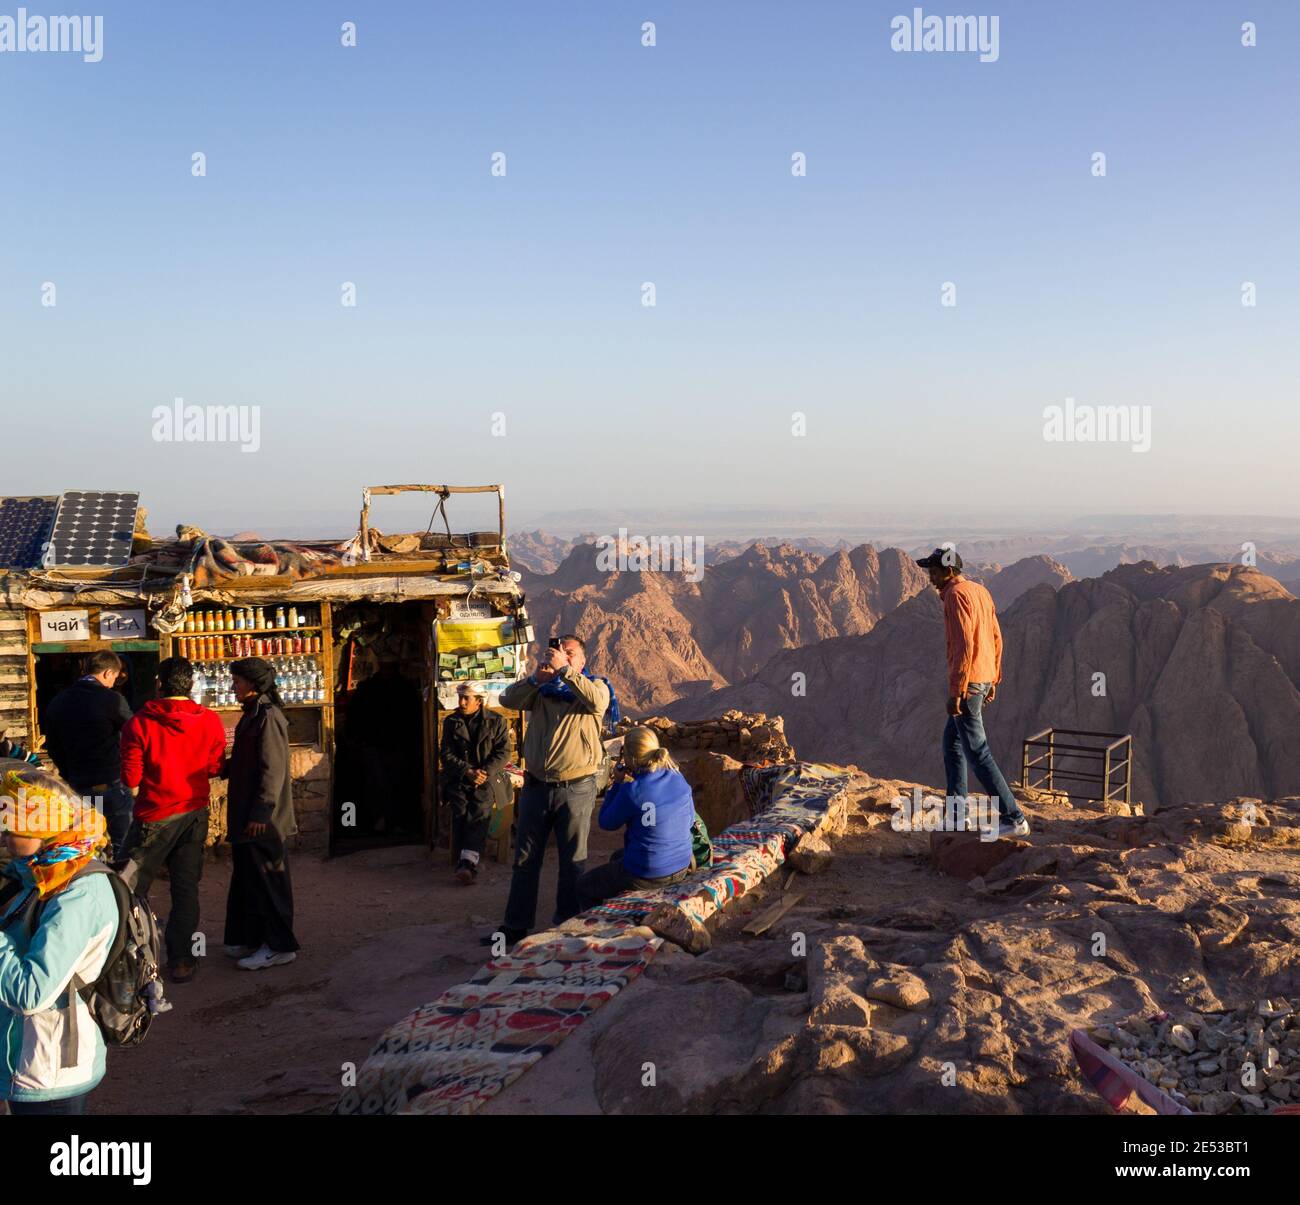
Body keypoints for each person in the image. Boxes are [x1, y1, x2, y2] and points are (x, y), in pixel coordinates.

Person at [0, 765, 119, 1115]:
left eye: (11, 827)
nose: (4, 835)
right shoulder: (45, 870)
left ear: (44, 827)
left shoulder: (79, 894)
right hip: (27, 1057)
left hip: (50, 1074)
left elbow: (31, 992)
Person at [488, 634, 610, 945]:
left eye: (570, 654)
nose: (561, 656)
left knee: (573, 861)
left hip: (576, 787)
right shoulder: (541, 692)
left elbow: (597, 703)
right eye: (558, 652)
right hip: (536, 786)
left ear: (581, 662)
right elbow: (506, 700)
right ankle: (515, 926)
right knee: (526, 858)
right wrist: (534, 680)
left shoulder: (595, 687)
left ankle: (566, 925)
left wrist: (565, 671)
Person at [119, 657, 227, 984]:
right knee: (185, 888)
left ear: (159, 683)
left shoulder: (139, 723)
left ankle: (126, 958)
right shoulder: (209, 720)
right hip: (194, 813)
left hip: (154, 815)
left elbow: (130, 777)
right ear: (190, 684)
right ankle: (181, 960)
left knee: (130, 886)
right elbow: (214, 768)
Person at [915, 548, 1030, 838]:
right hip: (981, 679)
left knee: (978, 752)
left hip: (968, 685)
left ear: (949, 572)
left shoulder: (955, 597)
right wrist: (994, 678)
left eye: (935, 571)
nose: (931, 577)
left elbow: (964, 647)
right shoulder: (980, 591)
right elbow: (996, 637)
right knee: (951, 745)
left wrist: (957, 691)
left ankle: (1014, 817)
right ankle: (957, 816)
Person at [223, 657, 299, 970]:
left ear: (252, 684)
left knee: (270, 881)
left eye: (238, 682)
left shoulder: (269, 717)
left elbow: (273, 772)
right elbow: (246, 762)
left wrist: (260, 814)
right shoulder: (252, 715)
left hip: (263, 820)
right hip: (246, 815)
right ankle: (253, 938)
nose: (233, 687)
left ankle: (280, 946)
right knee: (249, 879)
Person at [577, 726, 695, 909]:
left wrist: (616, 784)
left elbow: (605, 822)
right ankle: (624, 905)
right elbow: (689, 821)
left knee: (584, 886)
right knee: (617, 857)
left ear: (630, 759)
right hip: (681, 864)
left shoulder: (633, 791)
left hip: (649, 872)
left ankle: (599, 927)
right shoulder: (678, 778)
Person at [43, 650, 135, 860]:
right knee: (124, 847)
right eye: (115, 676)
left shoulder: (59, 701)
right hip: (110, 785)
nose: (115, 682)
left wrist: (69, 773)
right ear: (107, 673)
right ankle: (124, 891)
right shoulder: (112, 699)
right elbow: (134, 734)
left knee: (86, 847)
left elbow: (54, 747)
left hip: (78, 787)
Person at [440, 681, 509, 884]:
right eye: (460, 697)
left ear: (479, 701)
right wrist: (467, 771)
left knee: (479, 812)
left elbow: (503, 753)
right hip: (460, 778)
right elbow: (446, 753)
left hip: (486, 779)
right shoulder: (451, 722)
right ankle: (464, 860)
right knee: (460, 811)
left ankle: (468, 863)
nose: (461, 702)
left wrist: (484, 772)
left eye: (466, 698)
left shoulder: (496, 721)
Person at [347, 660, 423, 836]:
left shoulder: (403, 688)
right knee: (380, 784)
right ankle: (382, 820)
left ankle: (390, 821)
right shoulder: (372, 688)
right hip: (378, 744)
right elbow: (356, 716)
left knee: (394, 784)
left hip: (395, 745)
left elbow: (414, 718)